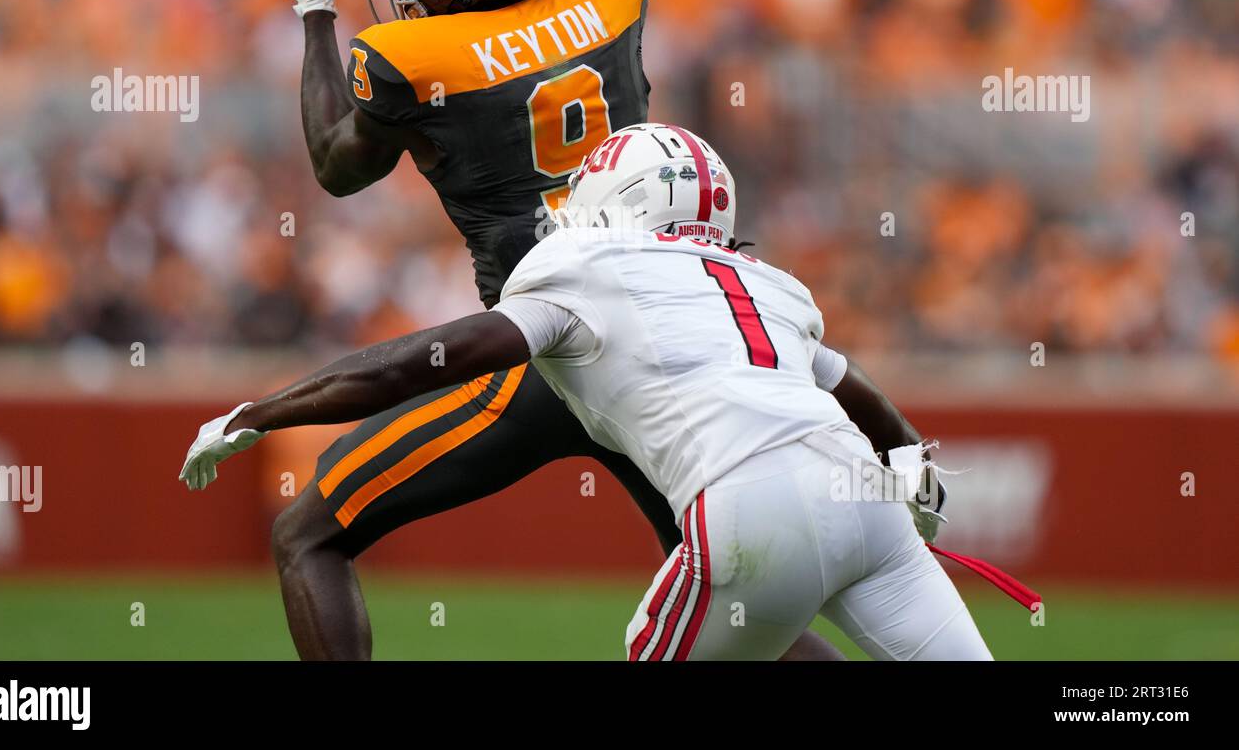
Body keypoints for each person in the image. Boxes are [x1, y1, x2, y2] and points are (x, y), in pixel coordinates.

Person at [257, 0, 847, 659]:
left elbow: (335, 163)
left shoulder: (412, 64)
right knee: (728, 595)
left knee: (308, 532)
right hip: (667, 338)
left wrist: (315, 2)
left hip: (546, 352)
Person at [182, 123, 991, 660]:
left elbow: (425, 360)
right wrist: (915, 474)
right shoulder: (764, 283)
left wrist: (264, 410)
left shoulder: (590, 268)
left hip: (753, 506)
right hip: (867, 501)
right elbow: (865, 398)